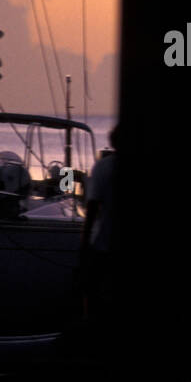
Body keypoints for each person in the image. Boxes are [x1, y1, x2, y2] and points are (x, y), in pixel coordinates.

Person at [78, 124, 119, 320]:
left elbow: (92, 207)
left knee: (91, 288)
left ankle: (91, 326)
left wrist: (84, 242)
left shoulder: (103, 167)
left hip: (103, 243)